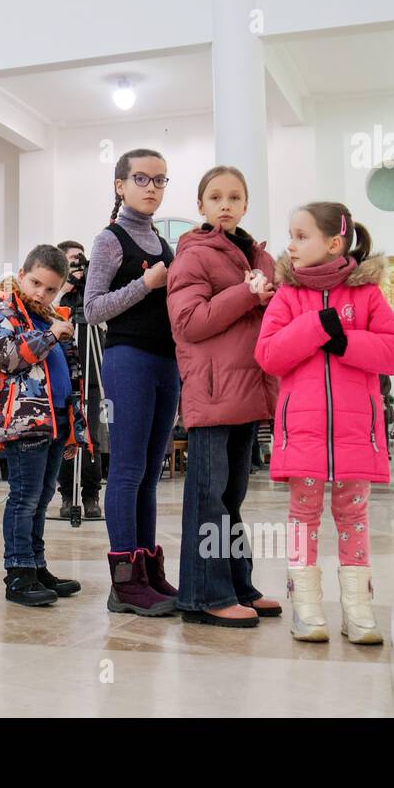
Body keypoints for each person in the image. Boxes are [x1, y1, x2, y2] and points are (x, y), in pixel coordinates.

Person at [256, 201, 394, 645]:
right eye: (291, 235)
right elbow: (268, 355)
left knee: (353, 517)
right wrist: (316, 328)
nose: (292, 244)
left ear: (334, 243)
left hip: (355, 431)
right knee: (302, 517)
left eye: (302, 236)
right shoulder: (288, 294)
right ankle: (305, 602)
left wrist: (346, 341)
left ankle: (357, 607)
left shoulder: (366, 294)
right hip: (301, 431)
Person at [167, 166, 281, 628]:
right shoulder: (193, 256)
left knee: (232, 496)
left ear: (247, 204)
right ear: (201, 207)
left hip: (248, 389)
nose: (226, 204)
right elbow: (189, 322)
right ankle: (203, 595)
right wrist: (247, 295)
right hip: (212, 392)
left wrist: (268, 297)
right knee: (207, 496)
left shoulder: (257, 258)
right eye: (215, 197)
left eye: (235, 196)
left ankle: (238, 586)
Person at [84, 150, 180, 616]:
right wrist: (147, 285)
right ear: (120, 185)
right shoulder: (109, 239)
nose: (151, 187)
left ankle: (148, 572)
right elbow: (92, 309)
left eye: (160, 180)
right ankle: (124, 582)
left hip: (166, 363)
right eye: (141, 178)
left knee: (150, 475)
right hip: (128, 360)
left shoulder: (164, 243)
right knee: (125, 470)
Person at [0, 245, 88, 607]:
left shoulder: (49, 315)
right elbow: (7, 356)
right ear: (22, 273)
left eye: (50, 288)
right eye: (36, 283)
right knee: (25, 497)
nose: (42, 292)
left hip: (54, 419)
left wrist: (75, 426)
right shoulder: (1, 308)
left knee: (43, 497)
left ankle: (37, 565)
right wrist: (53, 335)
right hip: (23, 419)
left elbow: (69, 375)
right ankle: (18, 572)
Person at [55, 240, 103, 519]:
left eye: (79, 259)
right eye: (70, 260)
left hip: (92, 373)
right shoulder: (56, 294)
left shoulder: (92, 294)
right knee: (67, 437)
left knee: (91, 436)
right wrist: (65, 288)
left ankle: (91, 494)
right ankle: (67, 495)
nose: (77, 265)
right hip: (65, 376)